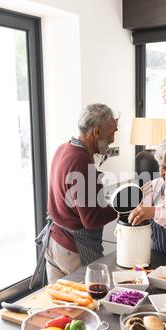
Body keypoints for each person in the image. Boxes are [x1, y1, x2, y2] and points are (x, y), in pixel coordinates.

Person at [45, 103, 118, 283]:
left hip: (54, 243)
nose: (113, 139)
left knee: (60, 306)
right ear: (97, 131)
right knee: (89, 305)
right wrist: (121, 207)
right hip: (73, 249)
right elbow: (91, 220)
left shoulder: (64, 148)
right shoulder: (81, 161)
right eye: (112, 132)